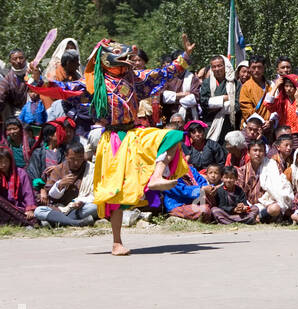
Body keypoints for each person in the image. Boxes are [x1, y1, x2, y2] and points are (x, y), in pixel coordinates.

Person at [28, 36, 196, 254]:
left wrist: (185, 56)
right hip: (113, 140)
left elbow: (163, 73)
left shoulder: (135, 78)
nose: (129, 62)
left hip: (135, 133)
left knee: (173, 137)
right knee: (116, 195)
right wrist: (37, 80)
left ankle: (157, 175)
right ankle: (117, 242)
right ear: (108, 61)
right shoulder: (93, 85)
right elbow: (61, 89)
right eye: (123, 58)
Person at [34, 140, 96, 227]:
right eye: (73, 159)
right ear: (66, 156)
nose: (76, 163)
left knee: (94, 207)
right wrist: (60, 185)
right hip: (60, 208)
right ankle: (76, 223)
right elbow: (51, 196)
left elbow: (95, 193)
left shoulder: (91, 169)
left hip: (78, 208)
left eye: (80, 158)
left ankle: (58, 220)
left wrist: (80, 201)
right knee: (39, 211)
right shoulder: (58, 170)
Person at [199, 55, 240, 143]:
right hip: (210, 122)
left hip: (229, 123)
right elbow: (204, 103)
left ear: (225, 66)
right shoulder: (207, 83)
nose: (217, 69)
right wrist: (224, 99)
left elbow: (236, 105)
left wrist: (214, 104)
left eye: (220, 66)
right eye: (214, 67)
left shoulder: (234, 83)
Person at [0, 142, 37, 226]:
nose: (3, 165)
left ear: (11, 161)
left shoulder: (21, 173)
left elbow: (28, 193)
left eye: (6, 161)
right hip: (4, 208)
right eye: (0, 162)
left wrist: (30, 208)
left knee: (30, 217)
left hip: (19, 207)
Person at [239, 56, 268, 123]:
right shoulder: (246, 87)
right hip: (253, 127)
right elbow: (246, 109)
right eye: (254, 67)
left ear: (264, 68)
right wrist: (261, 122)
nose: (257, 70)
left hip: (269, 126)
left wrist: (271, 121)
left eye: (259, 67)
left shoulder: (270, 85)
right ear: (249, 68)